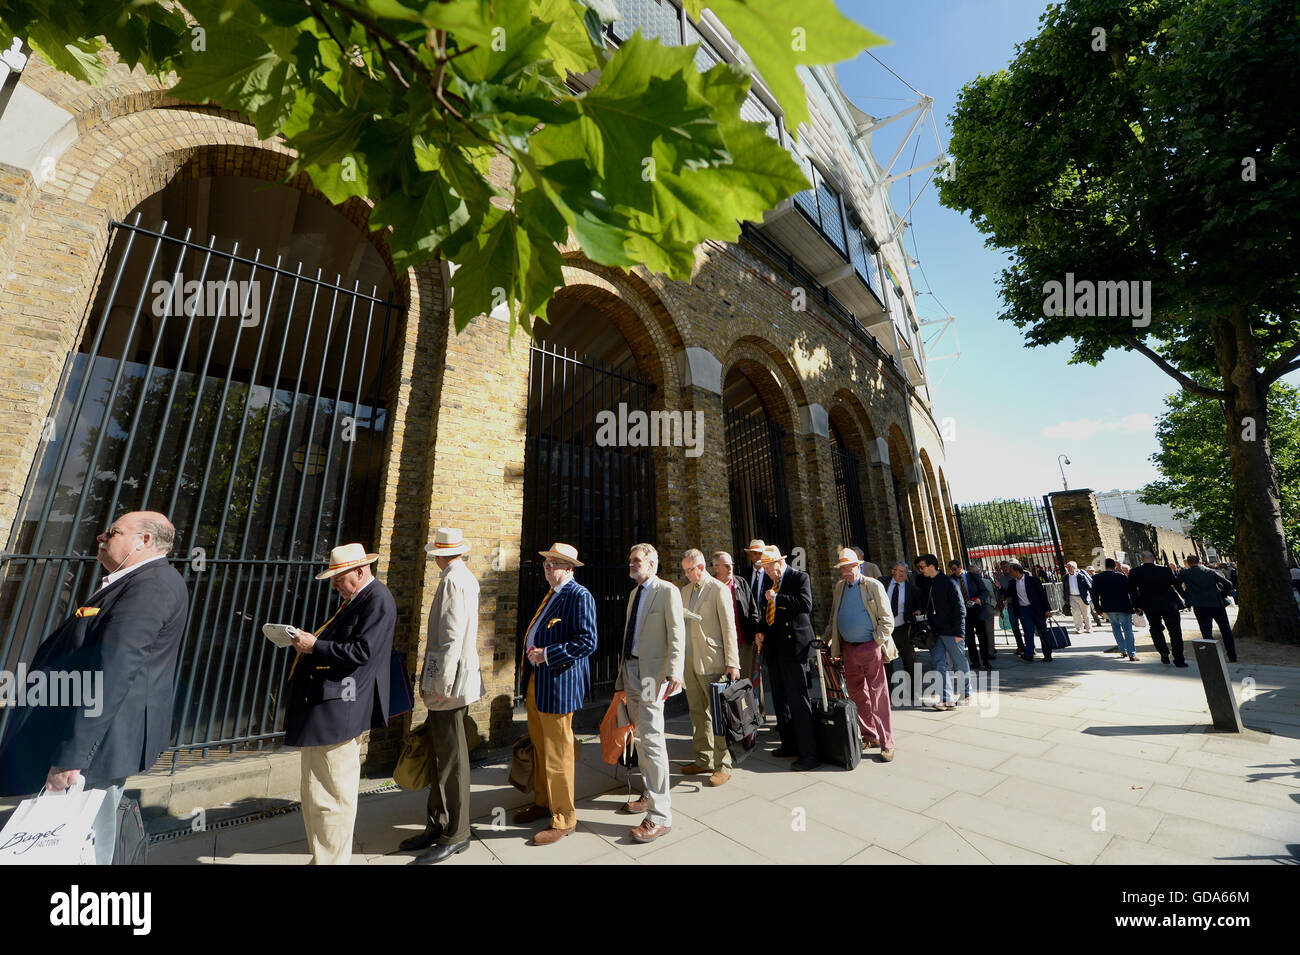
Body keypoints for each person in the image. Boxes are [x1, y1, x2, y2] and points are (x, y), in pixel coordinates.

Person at [0, 511, 188, 864]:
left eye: (113, 532)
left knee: (80, 840)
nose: (101, 537)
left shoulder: (151, 586)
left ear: (144, 541)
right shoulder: (134, 580)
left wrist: (74, 756)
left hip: (97, 744)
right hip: (92, 738)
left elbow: (116, 670)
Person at [284, 542, 397, 865]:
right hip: (330, 707)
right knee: (316, 792)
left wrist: (314, 646)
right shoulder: (360, 598)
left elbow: (362, 653)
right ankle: (324, 857)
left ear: (361, 572)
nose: (334, 584)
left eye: (339, 577)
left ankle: (331, 861)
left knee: (331, 797)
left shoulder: (376, 600)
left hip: (340, 709)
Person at [514, 542, 598, 845]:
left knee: (559, 752)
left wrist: (548, 653)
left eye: (555, 564)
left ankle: (564, 817)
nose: (548, 568)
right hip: (539, 681)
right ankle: (543, 802)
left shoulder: (579, 596)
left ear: (569, 569)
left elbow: (588, 642)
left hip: (559, 684)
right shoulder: (553, 594)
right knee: (540, 745)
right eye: (547, 563)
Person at [406, 528, 482, 865]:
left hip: (449, 686)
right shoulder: (463, 577)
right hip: (452, 683)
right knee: (443, 757)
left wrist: (440, 683)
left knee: (451, 760)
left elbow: (450, 638)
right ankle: (439, 824)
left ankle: (456, 831)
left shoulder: (454, 580)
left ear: (440, 554)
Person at [616, 543, 685, 843]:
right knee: (640, 737)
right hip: (630, 672)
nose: (631, 564)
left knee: (653, 739)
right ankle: (649, 792)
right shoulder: (634, 595)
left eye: (636, 560)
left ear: (652, 564)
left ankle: (660, 815)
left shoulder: (667, 591)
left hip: (653, 677)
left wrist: (675, 671)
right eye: (630, 560)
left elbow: (677, 632)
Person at [825, 549, 897, 761]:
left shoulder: (873, 585)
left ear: (859, 566)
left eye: (850, 567)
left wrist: (876, 641)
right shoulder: (840, 588)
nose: (846, 572)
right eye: (843, 568)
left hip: (869, 646)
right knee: (857, 694)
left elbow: (887, 620)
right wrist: (827, 638)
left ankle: (888, 743)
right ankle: (869, 735)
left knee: (878, 695)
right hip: (848, 648)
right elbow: (833, 617)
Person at [678, 548, 740, 786]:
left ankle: (723, 764)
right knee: (697, 712)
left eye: (690, 570)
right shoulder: (684, 591)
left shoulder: (718, 589)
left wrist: (732, 662)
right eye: (684, 570)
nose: (687, 575)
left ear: (701, 567)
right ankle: (703, 758)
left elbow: (728, 627)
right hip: (689, 662)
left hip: (712, 660)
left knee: (718, 716)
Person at [756, 545, 819, 770]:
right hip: (775, 648)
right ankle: (789, 744)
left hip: (794, 648)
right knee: (780, 701)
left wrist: (779, 597)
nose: (767, 571)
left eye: (769, 567)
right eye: (764, 568)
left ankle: (809, 753)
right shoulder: (768, 581)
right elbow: (767, 612)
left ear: (779, 562)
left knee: (798, 700)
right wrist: (760, 630)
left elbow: (805, 605)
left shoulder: (799, 577)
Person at [915, 554, 968, 710]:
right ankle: (946, 698)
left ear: (932, 566)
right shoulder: (927, 583)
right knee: (939, 664)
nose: (920, 570)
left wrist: (960, 634)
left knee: (959, 663)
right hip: (935, 632)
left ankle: (966, 693)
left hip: (952, 632)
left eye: (922, 567)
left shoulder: (949, 582)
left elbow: (960, 609)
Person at [712, 551, 761, 692]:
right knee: (727, 688)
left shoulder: (740, 582)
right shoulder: (710, 586)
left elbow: (753, 610)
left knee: (748, 683)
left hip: (743, 642)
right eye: (726, 566)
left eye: (731, 565)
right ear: (716, 568)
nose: (730, 569)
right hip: (720, 646)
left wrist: (755, 633)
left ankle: (756, 713)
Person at [1128, 551, 1187, 667]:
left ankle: (1163, 651)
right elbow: (1176, 585)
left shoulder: (1135, 572)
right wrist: (1185, 597)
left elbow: (1132, 591)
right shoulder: (1165, 570)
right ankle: (1179, 659)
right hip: (1169, 603)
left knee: (1155, 629)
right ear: (1154, 559)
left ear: (1142, 559)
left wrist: (1137, 606)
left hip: (1149, 604)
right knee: (1175, 631)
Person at [1179, 555, 1237, 662]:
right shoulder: (1209, 572)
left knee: (1206, 632)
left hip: (1199, 605)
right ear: (1199, 561)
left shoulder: (1185, 574)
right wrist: (1222, 595)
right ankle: (1232, 656)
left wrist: (1186, 596)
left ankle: (1213, 657)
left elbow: (1177, 585)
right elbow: (1228, 584)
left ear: (1188, 563)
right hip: (1216, 603)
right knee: (1226, 631)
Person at [882, 562, 921, 705]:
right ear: (893, 571)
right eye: (899, 571)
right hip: (886, 630)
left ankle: (914, 692)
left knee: (910, 661)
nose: (902, 574)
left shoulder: (912, 589)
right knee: (887, 661)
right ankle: (888, 694)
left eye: (905, 572)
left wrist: (918, 611)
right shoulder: (882, 583)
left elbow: (919, 604)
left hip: (903, 629)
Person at [1001, 561, 1054, 663]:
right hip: (1023, 610)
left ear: (1017, 571)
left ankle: (1047, 654)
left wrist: (1047, 609)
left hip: (1037, 609)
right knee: (1028, 632)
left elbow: (1042, 595)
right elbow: (1008, 593)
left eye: (1011, 571)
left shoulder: (1033, 580)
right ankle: (1029, 654)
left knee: (1042, 632)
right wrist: (999, 587)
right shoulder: (1012, 582)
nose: (1009, 572)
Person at [1091, 558, 1138, 661]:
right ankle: (1132, 653)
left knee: (1116, 628)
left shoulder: (1097, 578)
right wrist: (1136, 605)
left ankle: (1122, 649)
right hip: (1123, 606)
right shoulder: (1121, 577)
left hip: (1108, 607)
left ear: (1104, 566)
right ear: (1115, 566)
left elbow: (1094, 594)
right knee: (1128, 630)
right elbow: (1131, 591)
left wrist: (1097, 607)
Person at [949, 559, 991, 671]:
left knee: (982, 637)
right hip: (964, 613)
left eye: (955, 569)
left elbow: (984, 591)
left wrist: (979, 599)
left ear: (960, 566)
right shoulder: (951, 579)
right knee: (969, 638)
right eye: (952, 570)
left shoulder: (973, 576)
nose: (954, 572)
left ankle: (986, 661)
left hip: (977, 610)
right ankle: (975, 661)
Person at [995, 560, 1025, 655]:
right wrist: (1000, 610)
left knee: (1026, 624)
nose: (1005, 570)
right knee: (1014, 625)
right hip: (1011, 604)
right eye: (1003, 568)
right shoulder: (1000, 579)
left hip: (1022, 604)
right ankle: (1020, 645)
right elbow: (1000, 595)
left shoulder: (1016, 575)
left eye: (1007, 567)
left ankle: (1029, 646)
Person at [1062, 561, 1093, 634]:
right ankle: (1079, 628)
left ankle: (1089, 628)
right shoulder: (1065, 577)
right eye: (1067, 567)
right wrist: (1065, 599)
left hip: (1083, 597)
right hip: (1072, 597)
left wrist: (1092, 596)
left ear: (1075, 568)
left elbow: (1089, 586)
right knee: (1076, 612)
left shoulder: (1081, 576)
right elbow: (1064, 589)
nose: (1068, 568)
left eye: (1070, 567)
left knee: (1086, 613)